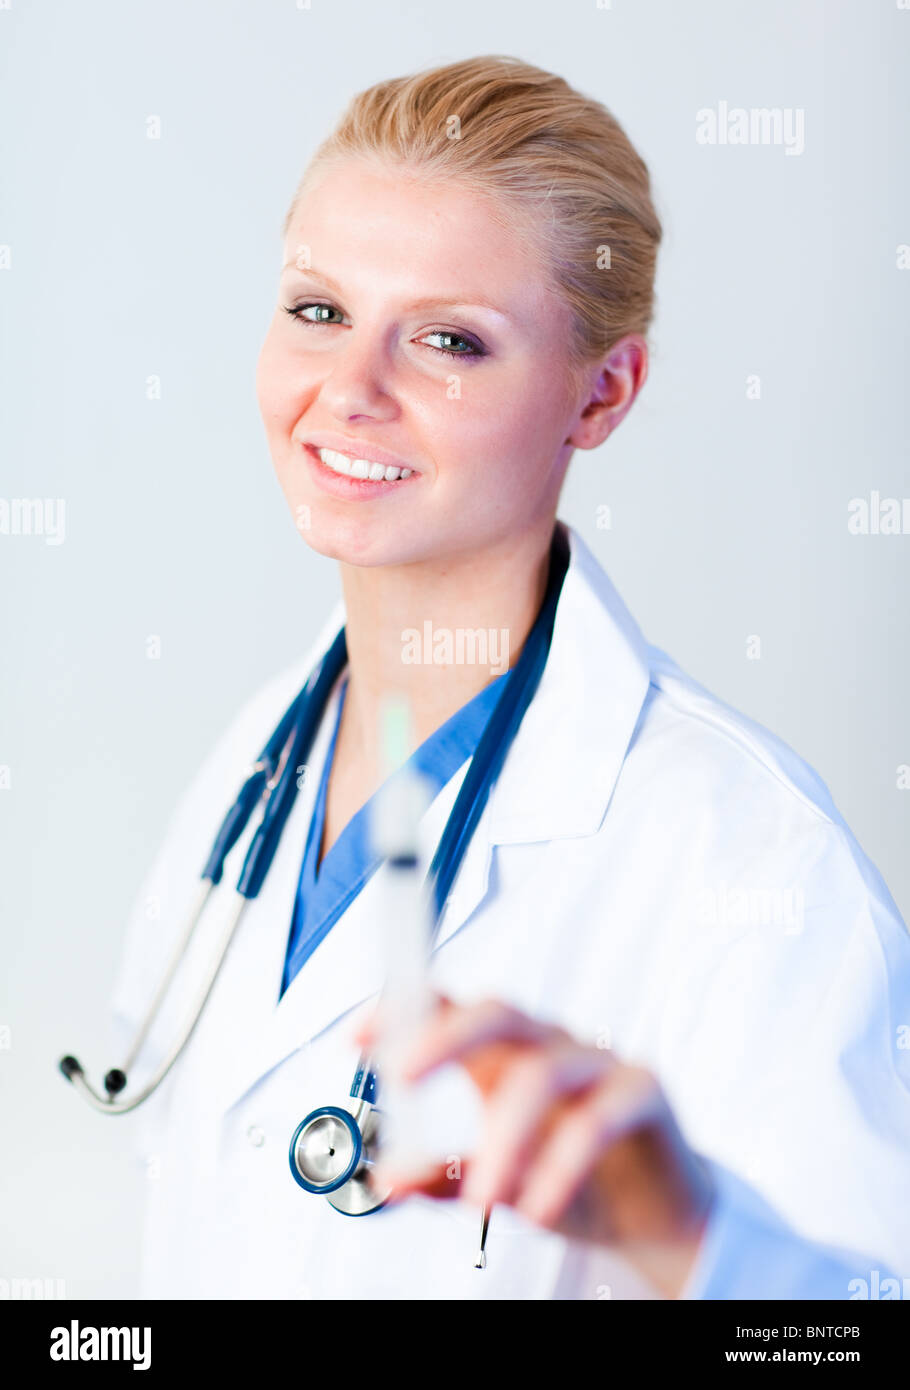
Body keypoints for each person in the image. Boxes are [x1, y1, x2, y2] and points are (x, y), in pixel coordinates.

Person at [108, 55, 910, 1300]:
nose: (349, 391)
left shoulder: (755, 871)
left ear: (603, 393)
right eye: (318, 309)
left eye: (447, 340)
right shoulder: (256, 766)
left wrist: (687, 1235)